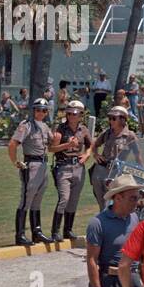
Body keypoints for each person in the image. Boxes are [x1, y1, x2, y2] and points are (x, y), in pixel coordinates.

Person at [8, 97, 55, 246]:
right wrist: (15, 161)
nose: (40, 112)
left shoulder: (45, 127)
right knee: (26, 201)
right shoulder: (26, 125)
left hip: (43, 164)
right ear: (33, 110)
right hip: (31, 164)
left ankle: (37, 232)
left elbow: (52, 144)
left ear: (47, 112)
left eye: (43, 110)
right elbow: (13, 144)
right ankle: (20, 235)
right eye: (37, 110)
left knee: (37, 200)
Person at [50, 99, 93, 241]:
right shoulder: (60, 129)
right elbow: (51, 149)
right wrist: (67, 145)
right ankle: (55, 231)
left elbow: (90, 146)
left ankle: (68, 230)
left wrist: (86, 155)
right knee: (64, 198)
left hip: (78, 167)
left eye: (75, 113)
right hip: (64, 166)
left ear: (81, 115)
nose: (72, 116)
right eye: (69, 113)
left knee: (73, 200)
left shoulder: (83, 129)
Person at [89, 106, 141, 208]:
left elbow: (138, 155)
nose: (111, 121)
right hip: (101, 170)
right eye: (110, 118)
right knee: (101, 202)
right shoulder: (107, 133)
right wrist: (96, 154)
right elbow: (94, 144)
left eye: (114, 118)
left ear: (122, 119)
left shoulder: (130, 136)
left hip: (117, 171)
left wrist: (143, 172)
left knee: (113, 203)